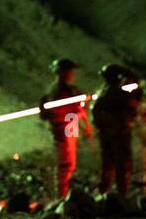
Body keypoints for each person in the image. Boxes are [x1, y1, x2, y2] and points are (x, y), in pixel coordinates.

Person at [38, 58, 91, 199]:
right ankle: (61, 196)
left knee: (70, 164)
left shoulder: (70, 90)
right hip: (63, 129)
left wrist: (85, 127)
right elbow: (64, 111)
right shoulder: (57, 91)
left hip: (69, 128)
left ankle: (65, 195)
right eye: (69, 71)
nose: (72, 74)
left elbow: (78, 110)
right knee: (65, 164)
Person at [91, 64, 138, 197]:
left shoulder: (101, 93)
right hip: (119, 135)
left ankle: (103, 192)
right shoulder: (120, 95)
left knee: (107, 164)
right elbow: (132, 111)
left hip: (106, 135)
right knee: (122, 165)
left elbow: (95, 115)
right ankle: (121, 194)